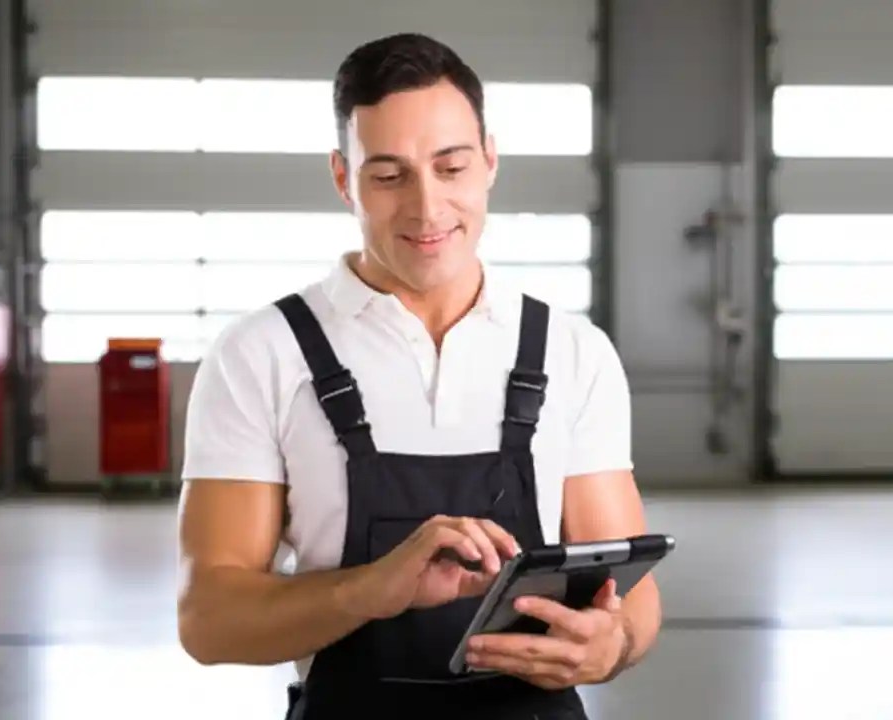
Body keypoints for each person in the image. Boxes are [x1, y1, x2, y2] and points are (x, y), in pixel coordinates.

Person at [175, 32, 662, 719]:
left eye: (451, 167)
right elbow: (209, 618)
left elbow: (632, 597)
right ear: (344, 178)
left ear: (490, 161)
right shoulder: (262, 353)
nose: (427, 209)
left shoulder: (572, 352)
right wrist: (373, 589)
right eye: (389, 175)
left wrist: (612, 645)